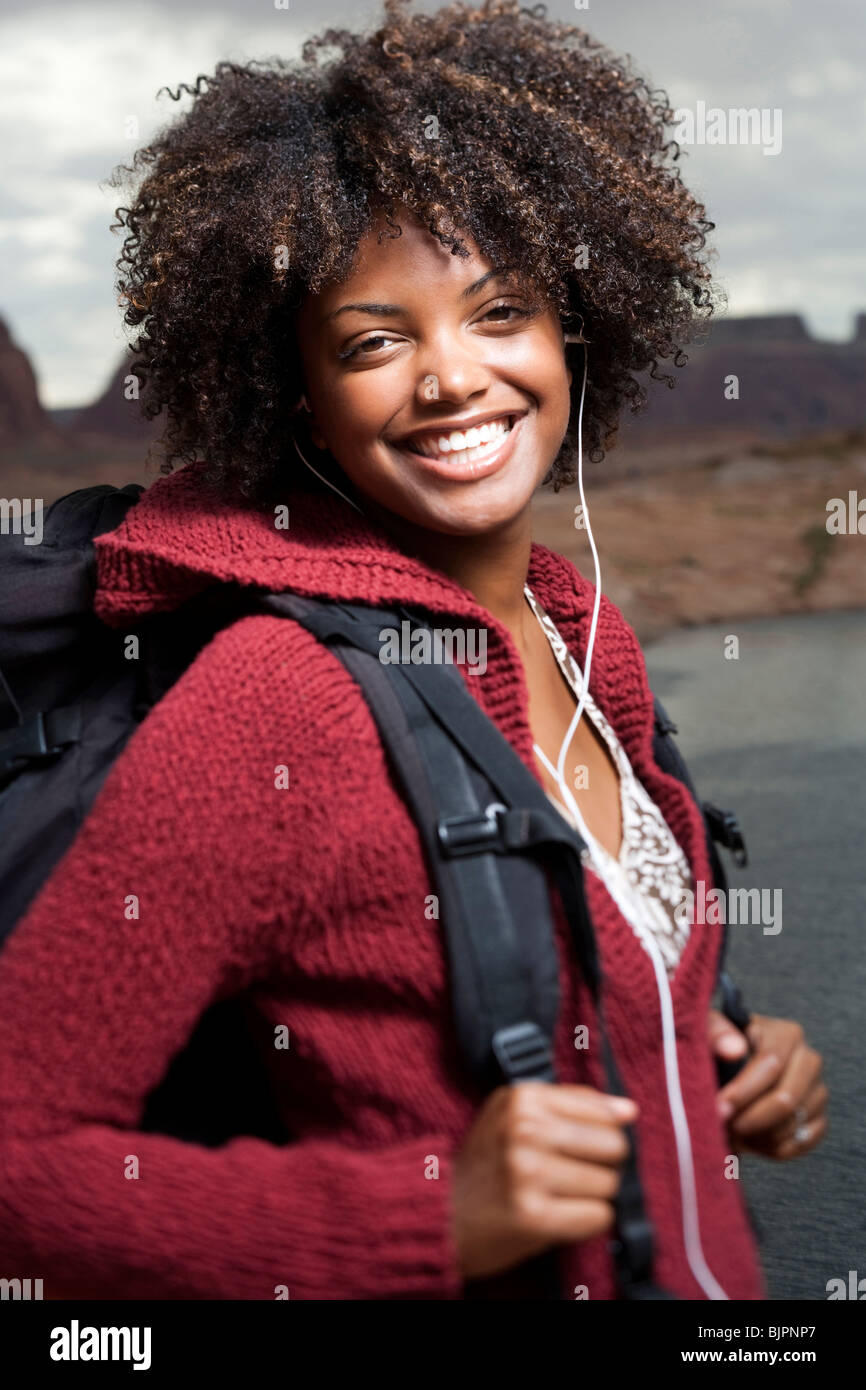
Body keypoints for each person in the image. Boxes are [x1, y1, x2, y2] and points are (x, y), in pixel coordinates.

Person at [0, 0, 826, 1300]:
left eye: (498, 313)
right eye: (375, 341)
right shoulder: (281, 702)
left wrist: (705, 1047)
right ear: (300, 399)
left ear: (575, 329)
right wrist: (424, 1221)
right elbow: (16, 1158)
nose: (450, 377)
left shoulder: (579, 634)